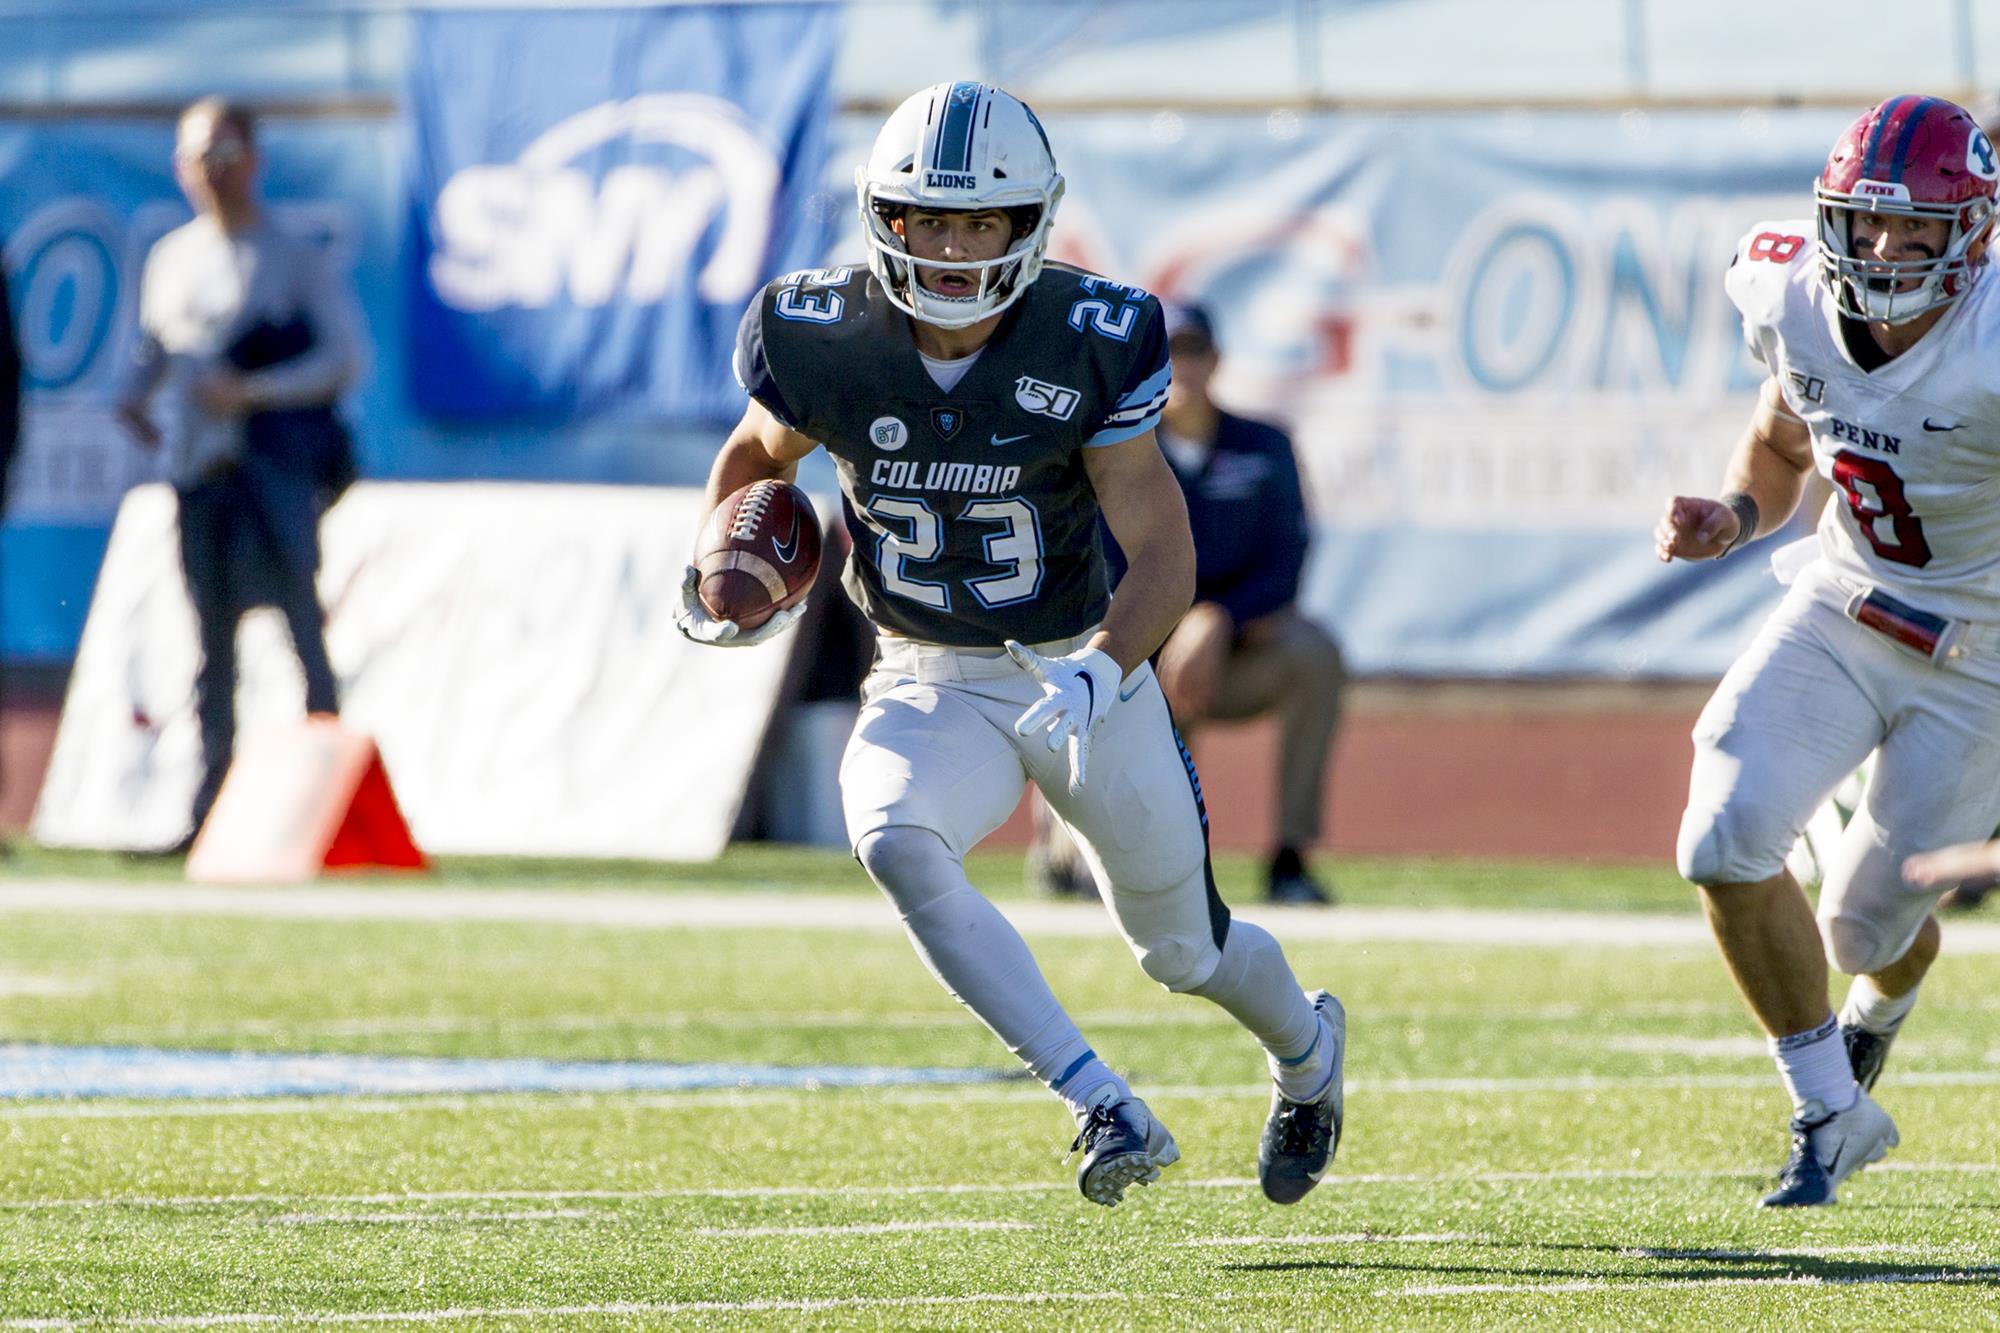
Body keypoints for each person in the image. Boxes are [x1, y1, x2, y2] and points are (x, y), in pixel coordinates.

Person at [677, 81, 1346, 1209]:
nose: (948, 246)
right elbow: (756, 454)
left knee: (1181, 952)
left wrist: (1104, 665)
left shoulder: (1094, 336)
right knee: (890, 833)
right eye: (926, 219)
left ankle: (1310, 1055)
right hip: (926, 670)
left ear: (1026, 223)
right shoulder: (822, 333)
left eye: (977, 222)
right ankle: (1099, 1100)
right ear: (882, 218)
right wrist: (725, 564)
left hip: (1081, 665)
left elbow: (1162, 551)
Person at [1655, 94, 2000, 1208]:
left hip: (1980, 654)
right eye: (1865, 226)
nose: (1885, 251)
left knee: (1860, 929)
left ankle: (1874, 1018)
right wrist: (1732, 512)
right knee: (1718, 834)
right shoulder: (1788, 292)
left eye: (1916, 232)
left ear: (1975, 235)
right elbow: (1777, 438)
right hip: (1844, 598)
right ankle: (1827, 1104)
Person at [1027, 300, 1344, 906]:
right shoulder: (1116, 449)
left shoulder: (1263, 445)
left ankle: (1291, 859)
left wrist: (1219, 618)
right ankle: (1069, 842)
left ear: (1217, 361)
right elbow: (1097, 568)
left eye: (1194, 350)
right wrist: (1170, 629)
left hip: (1231, 654)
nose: (1183, 368)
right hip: (1133, 654)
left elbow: (1287, 561)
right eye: (1168, 354)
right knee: (1078, 660)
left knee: (1316, 655)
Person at [117, 97, 365, 848]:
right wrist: (133, 402)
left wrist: (253, 391)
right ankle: (208, 813)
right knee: (209, 647)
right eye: (201, 160)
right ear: (181, 168)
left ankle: (331, 809)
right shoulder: (172, 257)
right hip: (200, 474)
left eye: (228, 158)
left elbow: (345, 359)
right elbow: (153, 352)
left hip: (272, 471)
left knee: (299, 631)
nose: (214, 175)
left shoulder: (289, 256)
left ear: (254, 162)